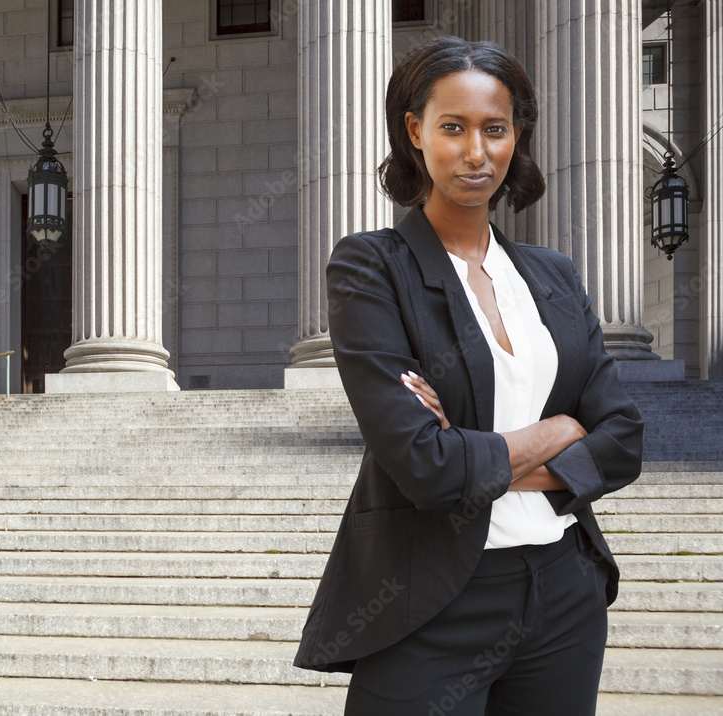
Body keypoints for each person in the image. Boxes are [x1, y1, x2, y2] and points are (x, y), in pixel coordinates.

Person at [292, 35, 644, 715]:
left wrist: (472, 456)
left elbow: (623, 438)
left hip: (564, 591)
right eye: (453, 127)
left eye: (495, 129)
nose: (476, 152)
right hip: (429, 600)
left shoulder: (553, 275)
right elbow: (424, 466)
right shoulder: (373, 267)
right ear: (415, 131)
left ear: (516, 137)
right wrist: (561, 430)